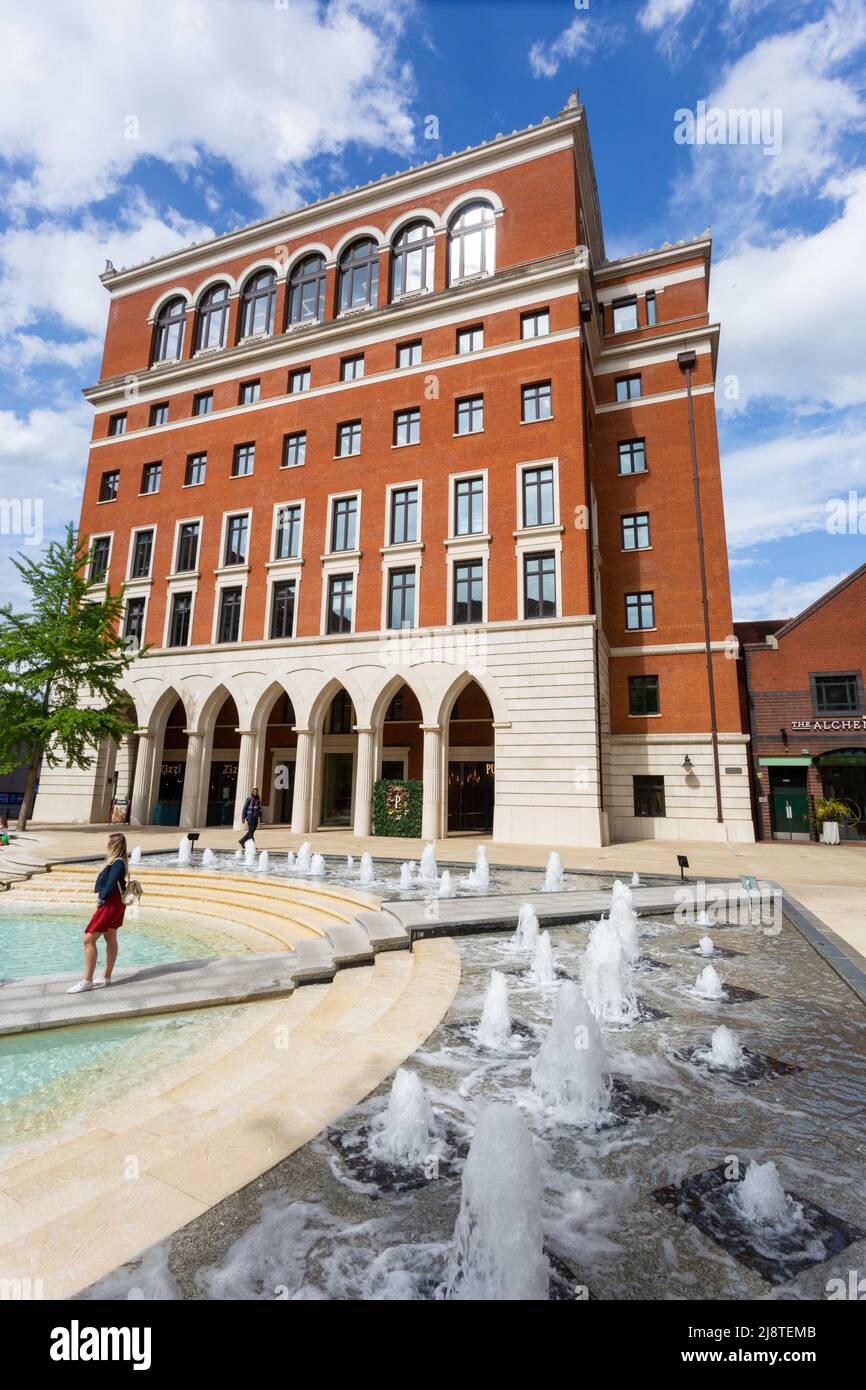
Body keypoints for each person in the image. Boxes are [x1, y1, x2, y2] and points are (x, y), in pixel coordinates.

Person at [67, 832, 129, 994]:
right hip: (116, 904)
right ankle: (106, 976)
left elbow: (109, 885)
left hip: (110, 904)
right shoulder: (120, 862)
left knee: (88, 939)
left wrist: (100, 902)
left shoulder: (117, 863)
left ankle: (87, 981)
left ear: (113, 846)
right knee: (110, 938)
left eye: (109, 844)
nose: (106, 846)